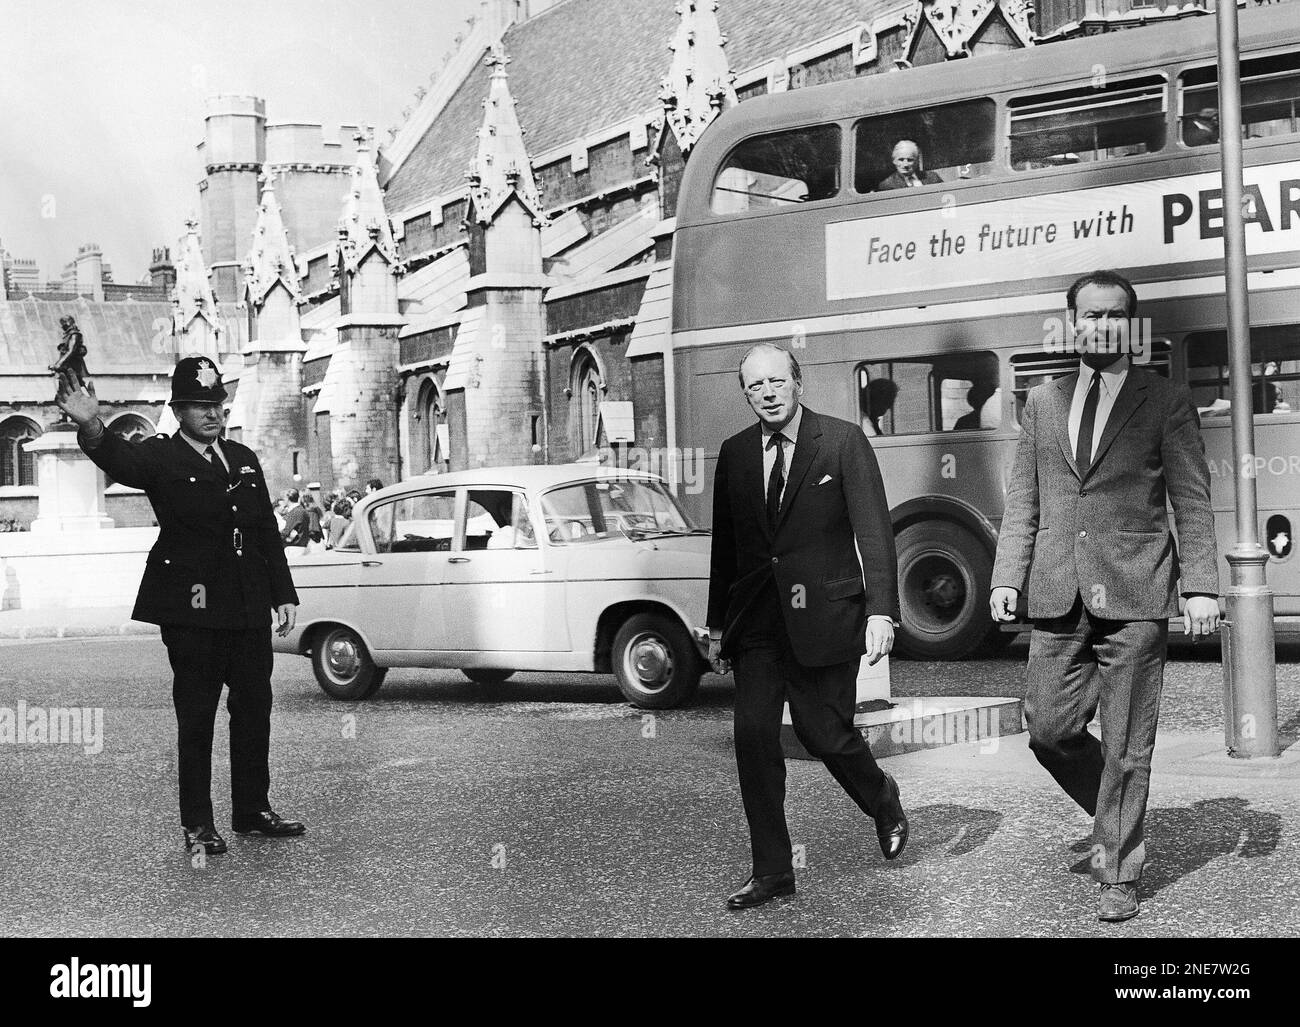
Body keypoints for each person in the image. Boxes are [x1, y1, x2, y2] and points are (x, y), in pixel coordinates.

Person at [990, 270, 1220, 923]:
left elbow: (1192, 499)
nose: (1099, 326)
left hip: (1137, 590)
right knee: (1049, 727)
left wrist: (1200, 584)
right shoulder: (1042, 402)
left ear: (1131, 326)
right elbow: (1024, 503)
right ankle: (1121, 817)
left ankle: (1118, 865)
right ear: (1071, 323)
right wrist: (1007, 578)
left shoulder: (1166, 400)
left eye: (1113, 316)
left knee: (1126, 740)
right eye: (1087, 316)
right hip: (1058, 590)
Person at [55, 356, 306, 856]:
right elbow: (117, 460)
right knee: (197, 718)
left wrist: (283, 593)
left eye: (216, 404)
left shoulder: (243, 457)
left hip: (246, 606)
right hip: (192, 612)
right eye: (198, 406)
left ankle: (252, 810)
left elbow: (263, 534)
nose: (211, 414)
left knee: (254, 709)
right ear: (177, 410)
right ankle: (197, 823)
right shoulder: (161, 457)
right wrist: (90, 425)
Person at [707, 343, 905, 911]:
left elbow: (875, 534)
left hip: (826, 616)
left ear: (799, 383)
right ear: (746, 394)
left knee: (825, 734)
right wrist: (719, 625)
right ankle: (772, 870)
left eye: (776, 382)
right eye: (754, 387)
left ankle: (880, 795)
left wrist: (879, 612)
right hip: (758, 628)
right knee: (753, 739)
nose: (767, 394)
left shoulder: (841, 442)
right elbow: (729, 548)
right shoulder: (735, 453)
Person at [876, 140, 942, 190]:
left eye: (910, 160)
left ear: (916, 161)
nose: (905, 165)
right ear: (894, 161)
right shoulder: (887, 185)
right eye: (901, 160)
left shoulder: (932, 178)